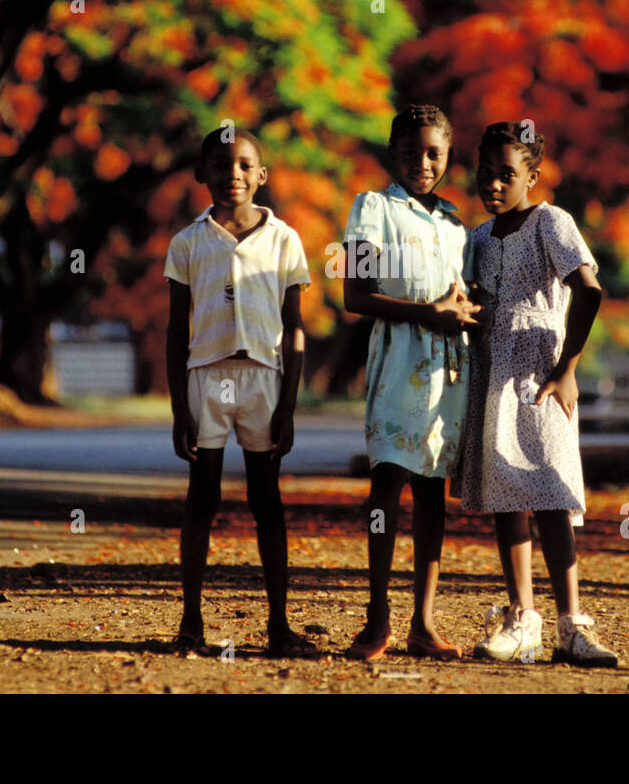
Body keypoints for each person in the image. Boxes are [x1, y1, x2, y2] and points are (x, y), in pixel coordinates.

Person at [454, 121, 619, 666]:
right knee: (506, 494)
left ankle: (572, 624)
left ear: (533, 175)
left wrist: (568, 367)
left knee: (550, 490)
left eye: (508, 174)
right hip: (490, 372)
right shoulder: (476, 238)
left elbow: (589, 291)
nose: (495, 184)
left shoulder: (552, 221)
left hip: (540, 371)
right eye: (486, 173)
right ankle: (522, 618)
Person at [164, 124, 318, 657]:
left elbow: (295, 325)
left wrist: (290, 406)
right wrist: (179, 409)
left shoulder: (284, 239)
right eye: (222, 165)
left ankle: (279, 624)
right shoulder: (187, 242)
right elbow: (174, 328)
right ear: (201, 175)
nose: (234, 174)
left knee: (266, 500)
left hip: (263, 379)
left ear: (262, 175)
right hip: (205, 375)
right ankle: (190, 622)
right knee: (201, 498)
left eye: (245, 165)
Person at [343, 104, 480, 662]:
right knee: (388, 482)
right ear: (392, 152)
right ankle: (378, 620)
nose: (422, 162)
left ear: (448, 157)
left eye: (434, 153)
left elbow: (463, 298)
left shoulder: (456, 223)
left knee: (432, 491)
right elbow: (355, 295)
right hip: (399, 361)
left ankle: (423, 622)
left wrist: (466, 314)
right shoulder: (373, 208)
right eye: (411, 151)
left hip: (450, 367)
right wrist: (430, 313)